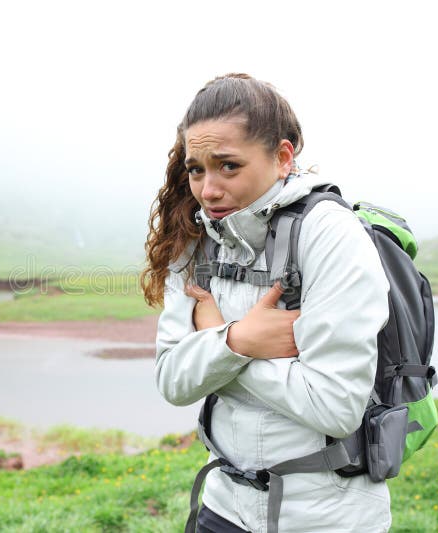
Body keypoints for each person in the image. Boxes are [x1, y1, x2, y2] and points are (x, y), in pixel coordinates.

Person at [141, 74, 392, 532]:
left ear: (282, 157)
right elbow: (172, 381)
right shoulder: (195, 241)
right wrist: (238, 340)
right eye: (196, 169)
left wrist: (217, 346)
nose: (208, 190)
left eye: (228, 166)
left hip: (325, 517)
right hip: (222, 507)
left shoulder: (329, 235)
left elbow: (337, 407)